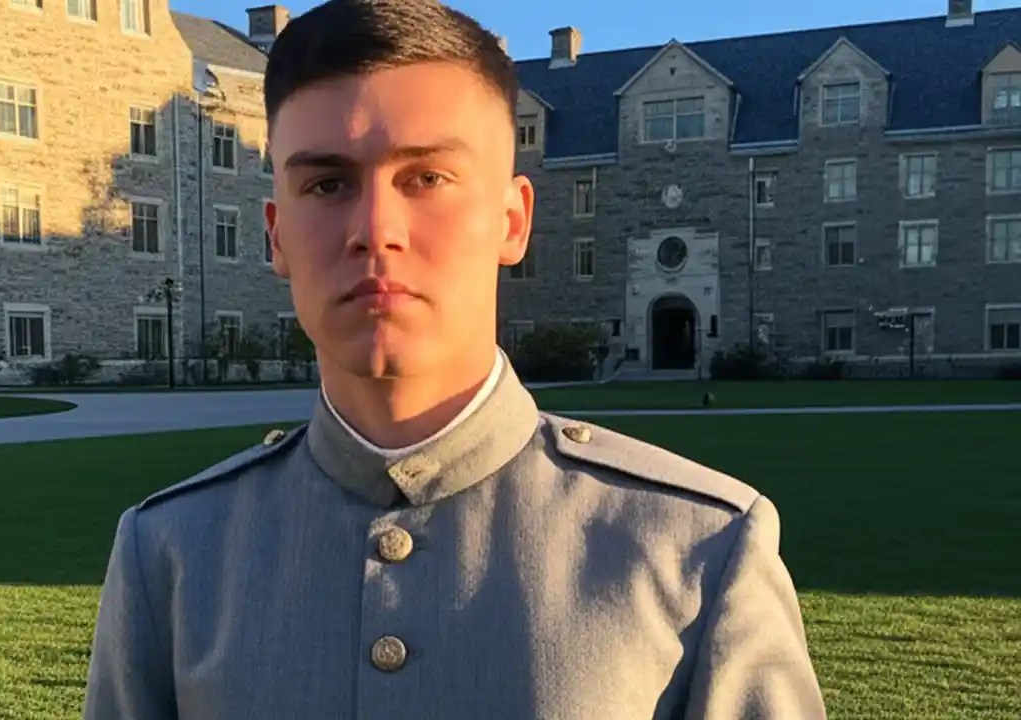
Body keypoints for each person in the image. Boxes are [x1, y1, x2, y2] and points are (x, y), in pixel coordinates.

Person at [82, 0, 827, 717]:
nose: (376, 228)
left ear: (512, 220)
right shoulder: (172, 557)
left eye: (426, 178)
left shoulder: (696, 547)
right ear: (275, 234)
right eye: (327, 183)